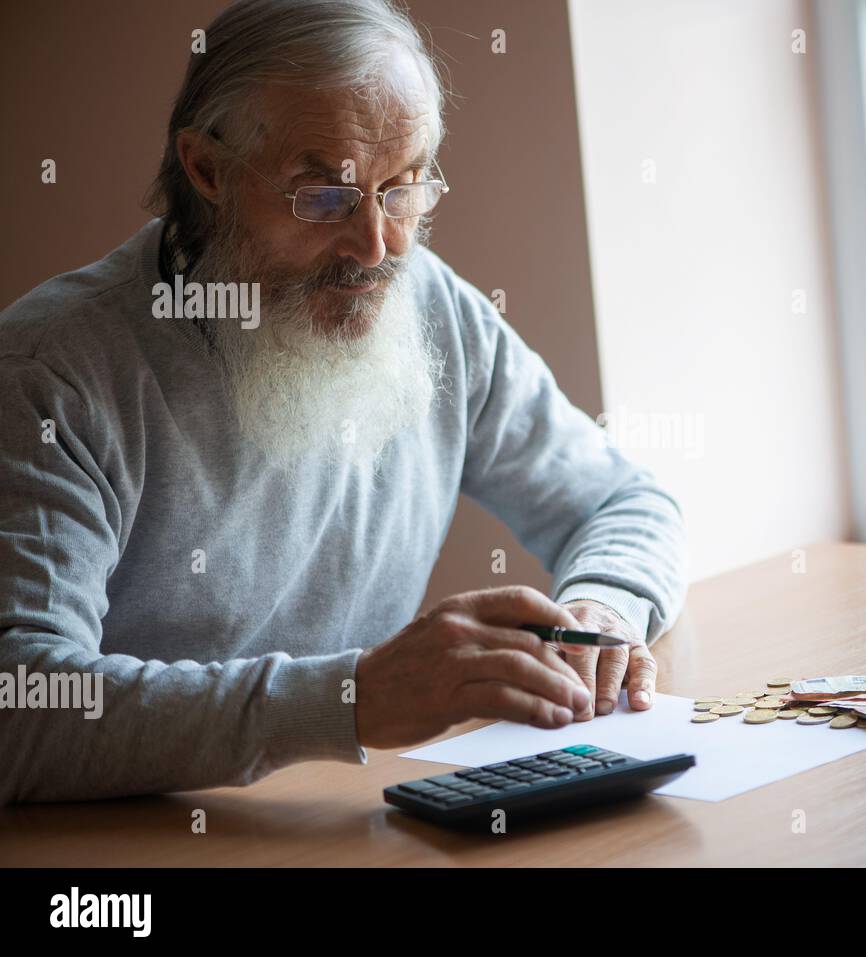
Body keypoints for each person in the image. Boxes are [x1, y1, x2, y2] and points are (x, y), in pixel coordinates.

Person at [0, 0, 686, 803]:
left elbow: (625, 499)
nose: (376, 248)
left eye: (403, 191)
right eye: (323, 195)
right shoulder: (51, 373)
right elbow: (25, 705)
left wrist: (601, 610)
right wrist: (354, 695)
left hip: (350, 823)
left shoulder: (436, 309)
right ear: (207, 169)